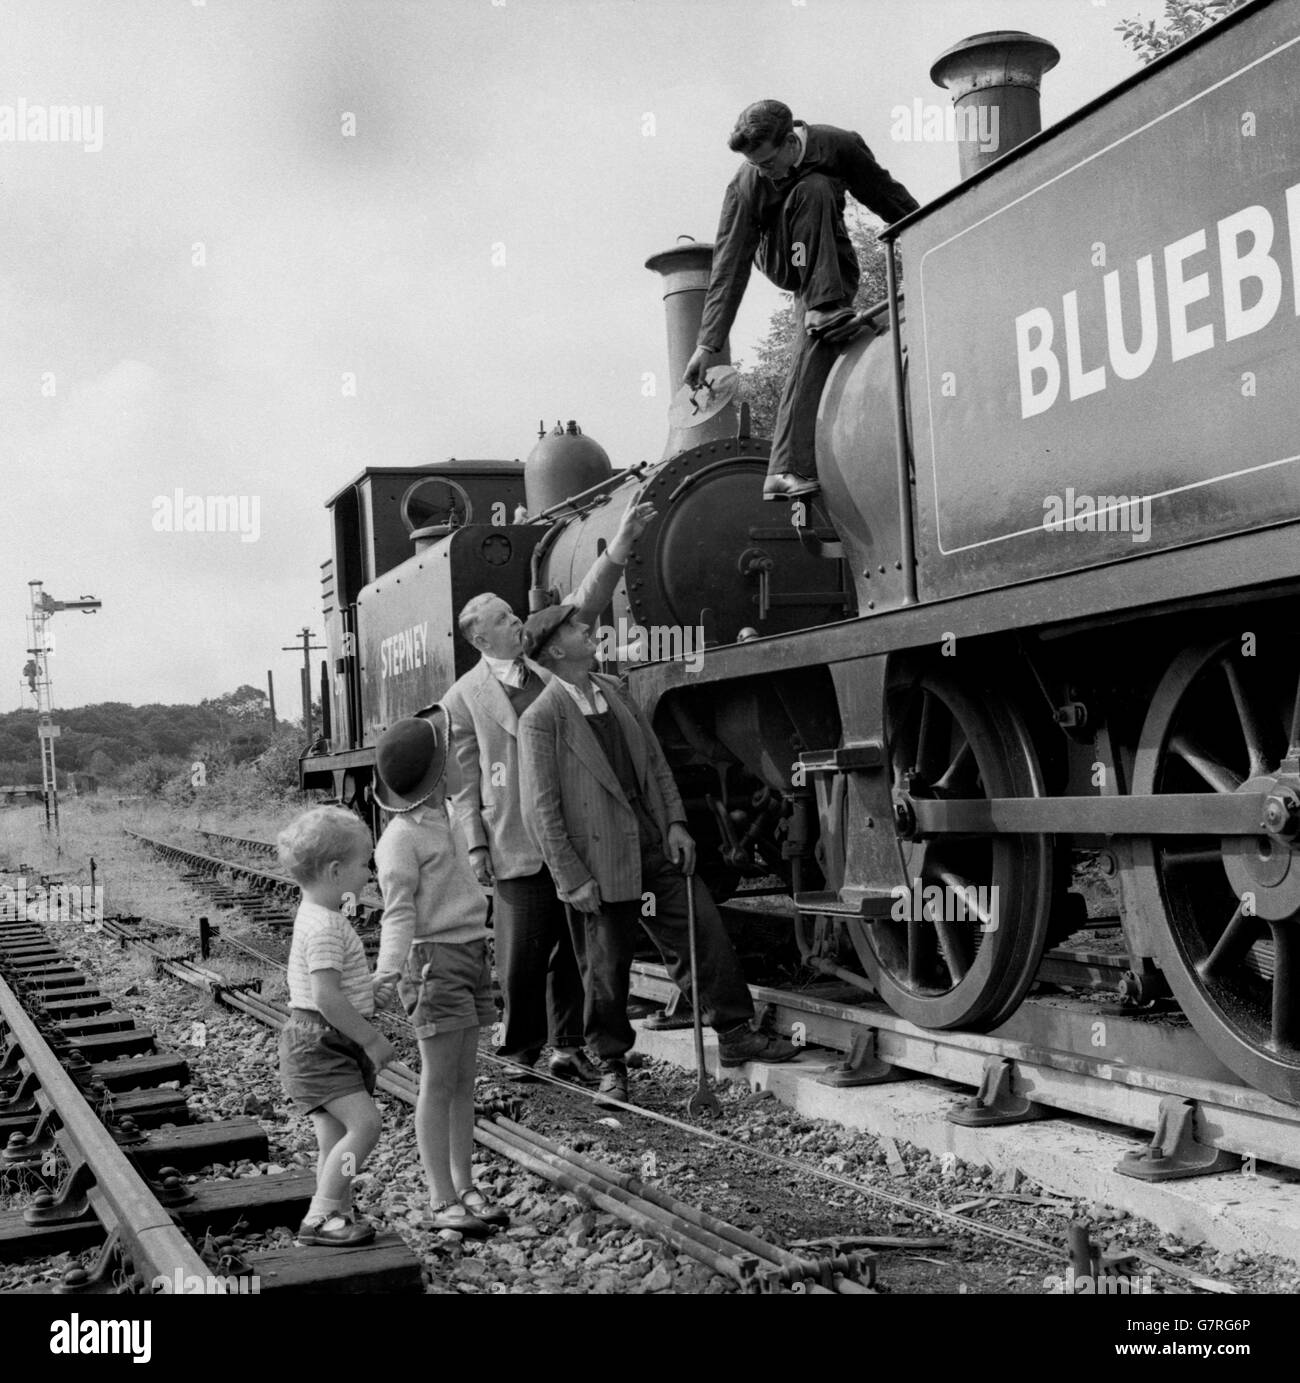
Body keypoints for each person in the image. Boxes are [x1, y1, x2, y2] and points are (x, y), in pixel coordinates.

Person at [517, 604, 800, 1104]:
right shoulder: (542, 719)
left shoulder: (614, 692)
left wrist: (674, 823)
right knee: (605, 966)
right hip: (597, 861)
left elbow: (656, 766)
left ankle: (734, 1034)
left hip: (649, 838)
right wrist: (571, 877)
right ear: (556, 650)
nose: (589, 632)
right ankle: (611, 1064)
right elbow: (541, 809)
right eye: (577, 629)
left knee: (699, 926)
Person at [443, 499, 655, 1084]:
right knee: (518, 956)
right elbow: (462, 780)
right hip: (512, 834)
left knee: (570, 953)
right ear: (481, 636)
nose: (518, 621)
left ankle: (567, 1048)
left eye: (515, 615)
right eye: (505, 618)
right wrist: (475, 845)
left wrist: (618, 547)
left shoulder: (552, 672)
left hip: (568, 827)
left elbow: (584, 600)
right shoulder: (464, 698)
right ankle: (519, 1049)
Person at [684, 99, 919, 502]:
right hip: (783, 256)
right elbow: (728, 266)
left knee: (818, 190)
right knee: (815, 187)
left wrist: (932, 234)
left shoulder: (839, 145)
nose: (764, 172)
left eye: (768, 162)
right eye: (756, 165)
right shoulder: (746, 185)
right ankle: (822, 306)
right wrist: (708, 344)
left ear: (792, 141)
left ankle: (786, 469)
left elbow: (887, 197)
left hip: (830, 250)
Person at [373, 710, 503, 1237]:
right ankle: (440, 1194)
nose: (460, 762)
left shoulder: (447, 815)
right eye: (451, 757)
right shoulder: (400, 840)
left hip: (470, 954)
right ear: (433, 777)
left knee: (464, 1082)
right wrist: (386, 971)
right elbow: (398, 912)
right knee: (438, 1081)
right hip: (433, 964)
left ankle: (464, 1182)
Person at [276, 805, 397, 1247]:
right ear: (334, 870)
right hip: (322, 1044)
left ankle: (337, 1213)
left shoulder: (315, 914)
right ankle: (321, 1214)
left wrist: (369, 994)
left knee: (335, 1136)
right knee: (366, 1126)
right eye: (364, 863)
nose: (369, 873)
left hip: (321, 1040)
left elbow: (333, 989)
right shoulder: (327, 925)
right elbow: (326, 997)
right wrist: (372, 1038)